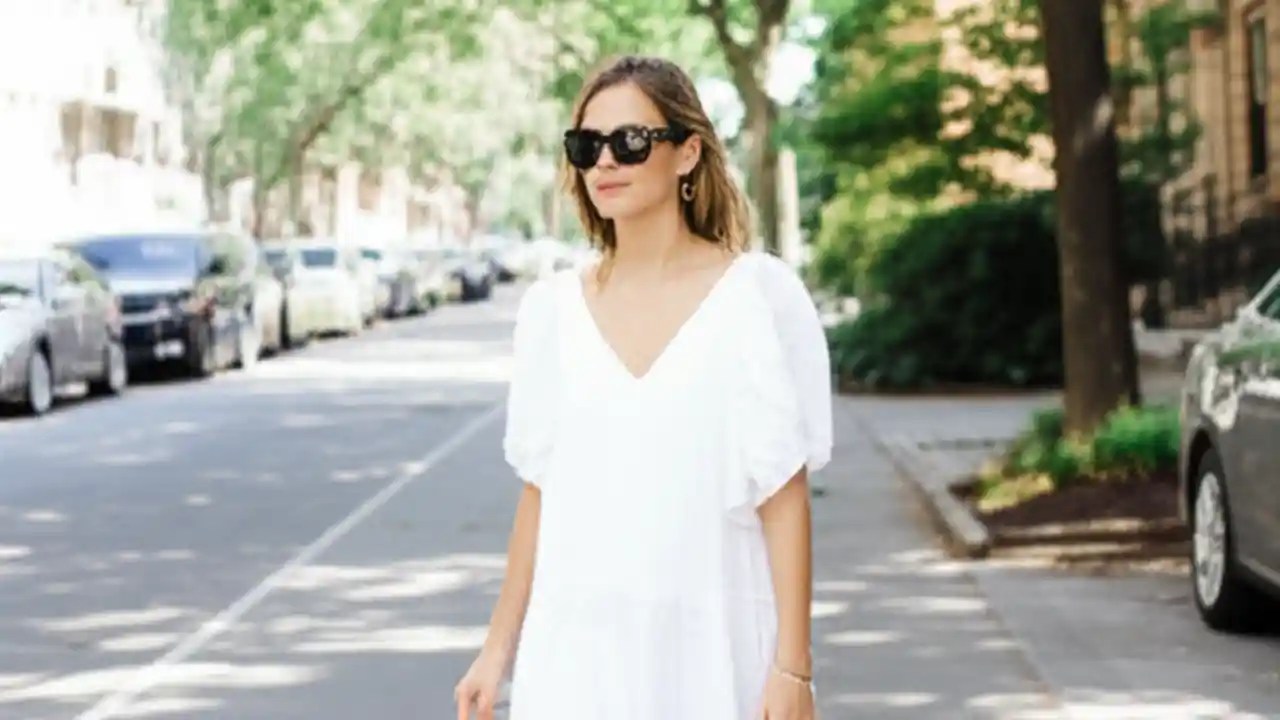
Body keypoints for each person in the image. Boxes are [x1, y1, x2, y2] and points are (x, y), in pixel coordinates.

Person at [454, 55, 833, 720]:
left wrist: (792, 667)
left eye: (629, 141)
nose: (604, 161)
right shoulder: (552, 311)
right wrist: (495, 651)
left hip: (714, 651)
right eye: (586, 145)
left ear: (688, 153)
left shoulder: (756, 298)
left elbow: (783, 495)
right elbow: (541, 494)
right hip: (574, 659)